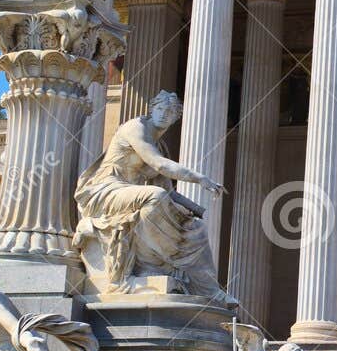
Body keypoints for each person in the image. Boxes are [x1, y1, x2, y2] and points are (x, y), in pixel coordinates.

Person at [73, 90, 227, 297]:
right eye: (160, 109)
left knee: (195, 226)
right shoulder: (135, 127)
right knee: (153, 197)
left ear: (176, 118)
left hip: (129, 194)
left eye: (170, 112)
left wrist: (197, 210)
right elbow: (158, 164)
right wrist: (199, 178)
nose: (164, 114)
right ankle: (151, 264)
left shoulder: (158, 145)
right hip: (105, 191)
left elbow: (169, 193)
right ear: (152, 109)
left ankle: (211, 291)